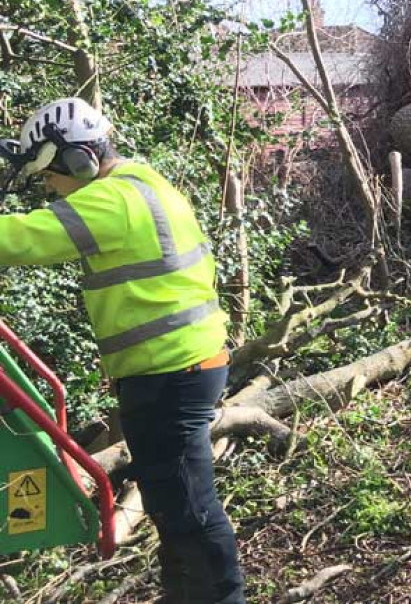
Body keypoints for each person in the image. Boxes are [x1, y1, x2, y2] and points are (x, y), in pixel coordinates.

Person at [0, 98, 245, 604]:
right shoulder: (143, 182)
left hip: (170, 374)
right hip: (180, 369)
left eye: (50, 175)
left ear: (80, 161)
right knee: (174, 507)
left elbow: (22, 239)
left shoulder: (112, 200)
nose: (48, 188)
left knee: (192, 512)